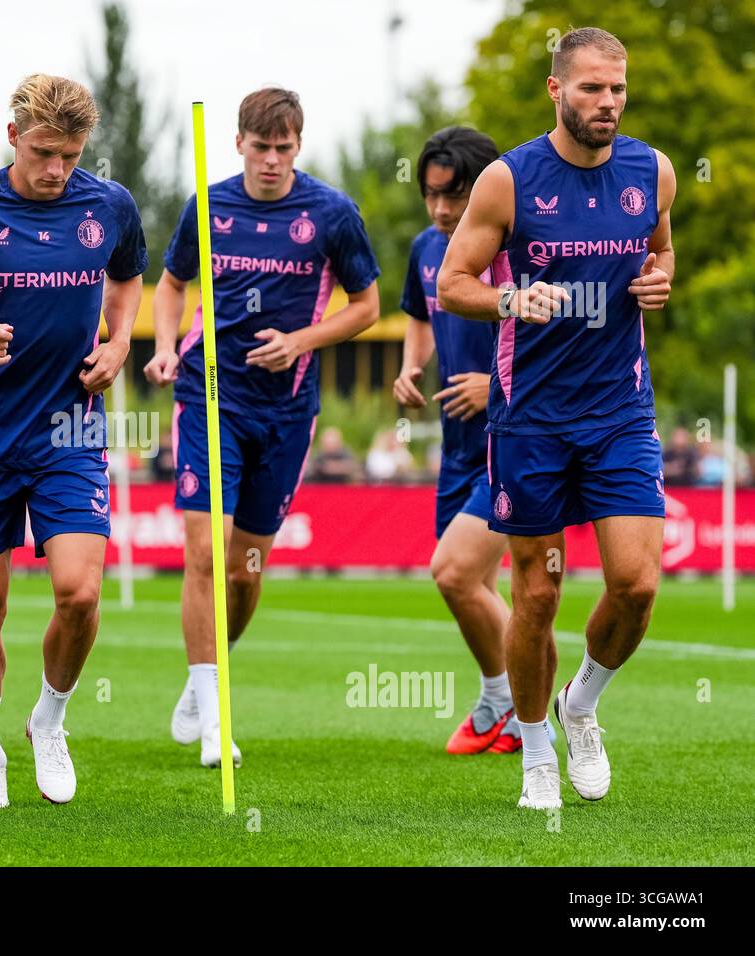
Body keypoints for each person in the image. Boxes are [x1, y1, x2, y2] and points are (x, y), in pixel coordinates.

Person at [438, 28, 676, 810]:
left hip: (620, 412)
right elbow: (453, 282)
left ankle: (582, 703)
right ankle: (536, 750)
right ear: (556, 90)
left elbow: (661, 251)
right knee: (537, 597)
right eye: (591, 88)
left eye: (617, 89)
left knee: (637, 585)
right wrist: (511, 297)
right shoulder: (508, 180)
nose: (607, 102)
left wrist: (659, 278)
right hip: (531, 420)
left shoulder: (653, 170)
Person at [0, 74, 147, 808]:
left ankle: (49, 719)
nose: (56, 169)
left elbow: (129, 279)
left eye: (70, 155)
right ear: (13, 136)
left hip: (70, 431)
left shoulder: (109, 205)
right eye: (44, 152)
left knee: (80, 593)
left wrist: (119, 343)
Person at [143, 88, 379, 768]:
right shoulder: (207, 205)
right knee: (206, 554)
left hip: (287, 409)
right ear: (239, 144)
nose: (272, 160)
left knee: (245, 572)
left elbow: (366, 306)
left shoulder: (332, 212)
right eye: (260, 147)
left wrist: (301, 341)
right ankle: (214, 714)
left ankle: (205, 678)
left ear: (298, 146)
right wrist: (165, 346)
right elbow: (171, 283)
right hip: (209, 396)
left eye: (284, 148)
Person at [394, 126, 552, 755]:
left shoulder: (520, 246)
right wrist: (411, 367)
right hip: (458, 446)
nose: (440, 208)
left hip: (512, 438)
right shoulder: (425, 249)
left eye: (453, 195)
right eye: (431, 194)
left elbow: (563, 336)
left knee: (454, 574)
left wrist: (496, 385)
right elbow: (418, 316)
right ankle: (504, 703)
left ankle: (520, 701)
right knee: (472, 585)